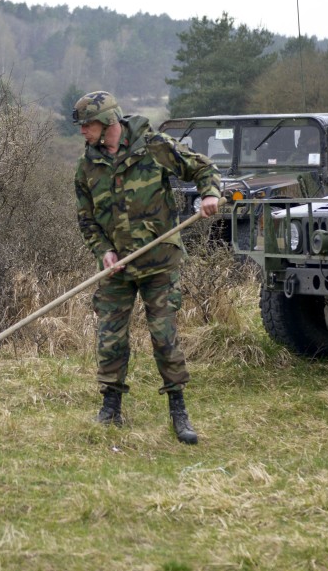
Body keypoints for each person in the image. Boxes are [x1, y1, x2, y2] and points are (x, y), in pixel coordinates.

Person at [72, 90, 221, 444]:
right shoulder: (87, 167)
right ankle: (111, 407)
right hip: (117, 269)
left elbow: (203, 168)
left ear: (108, 121)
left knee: (164, 336)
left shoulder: (154, 145)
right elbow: (87, 220)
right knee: (109, 337)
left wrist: (210, 193)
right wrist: (104, 251)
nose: (82, 132)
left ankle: (178, 409)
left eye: (86, 125)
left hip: (159, 263)